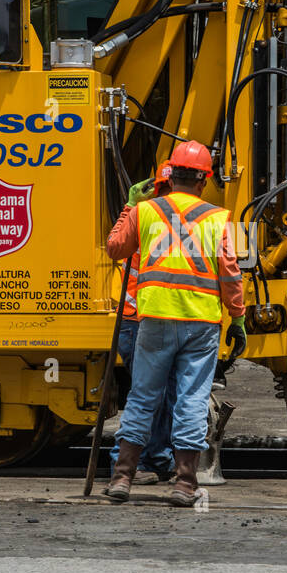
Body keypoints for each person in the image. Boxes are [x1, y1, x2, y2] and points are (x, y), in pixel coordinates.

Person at [104, 140, 245, 506]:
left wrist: (130, 206)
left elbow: (115, 248)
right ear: (204, 180)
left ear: (171, 173)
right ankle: (184, 485)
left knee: (142, 396)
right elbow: (229, 273)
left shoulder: (146, 210)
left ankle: (122, 479)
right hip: (200, 323)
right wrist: (238, 316)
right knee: (191, 401)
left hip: (155, 319)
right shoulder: (217, 218)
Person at [108, 162, 176, 487]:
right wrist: (130, 208)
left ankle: (156, 458)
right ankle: (123, 466)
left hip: (149, 316)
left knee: (158, 396)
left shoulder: (148, 213)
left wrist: (132, 206)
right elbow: (115, 248)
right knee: (146, 396)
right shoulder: (154, 215)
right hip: (139, 319)